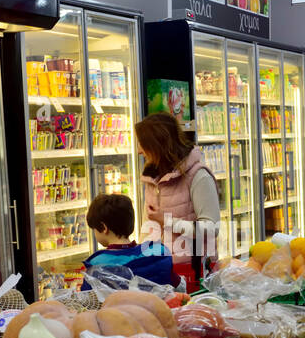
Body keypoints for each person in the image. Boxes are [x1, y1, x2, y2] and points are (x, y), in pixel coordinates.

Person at [136, 112, 219, 291]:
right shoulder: (151, 177)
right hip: (159, 272)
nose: (139, 151)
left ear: (157, 145)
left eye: (142, 144)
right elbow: (148, 225)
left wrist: (166, 222)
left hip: (193, 273)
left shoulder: (198, 176)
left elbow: (212, 228)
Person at [81, 193, 177, 288]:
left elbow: (87, 299)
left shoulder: (97, 263)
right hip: (159, 303)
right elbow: (176, 284)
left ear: (103, 227)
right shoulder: (158, 251)